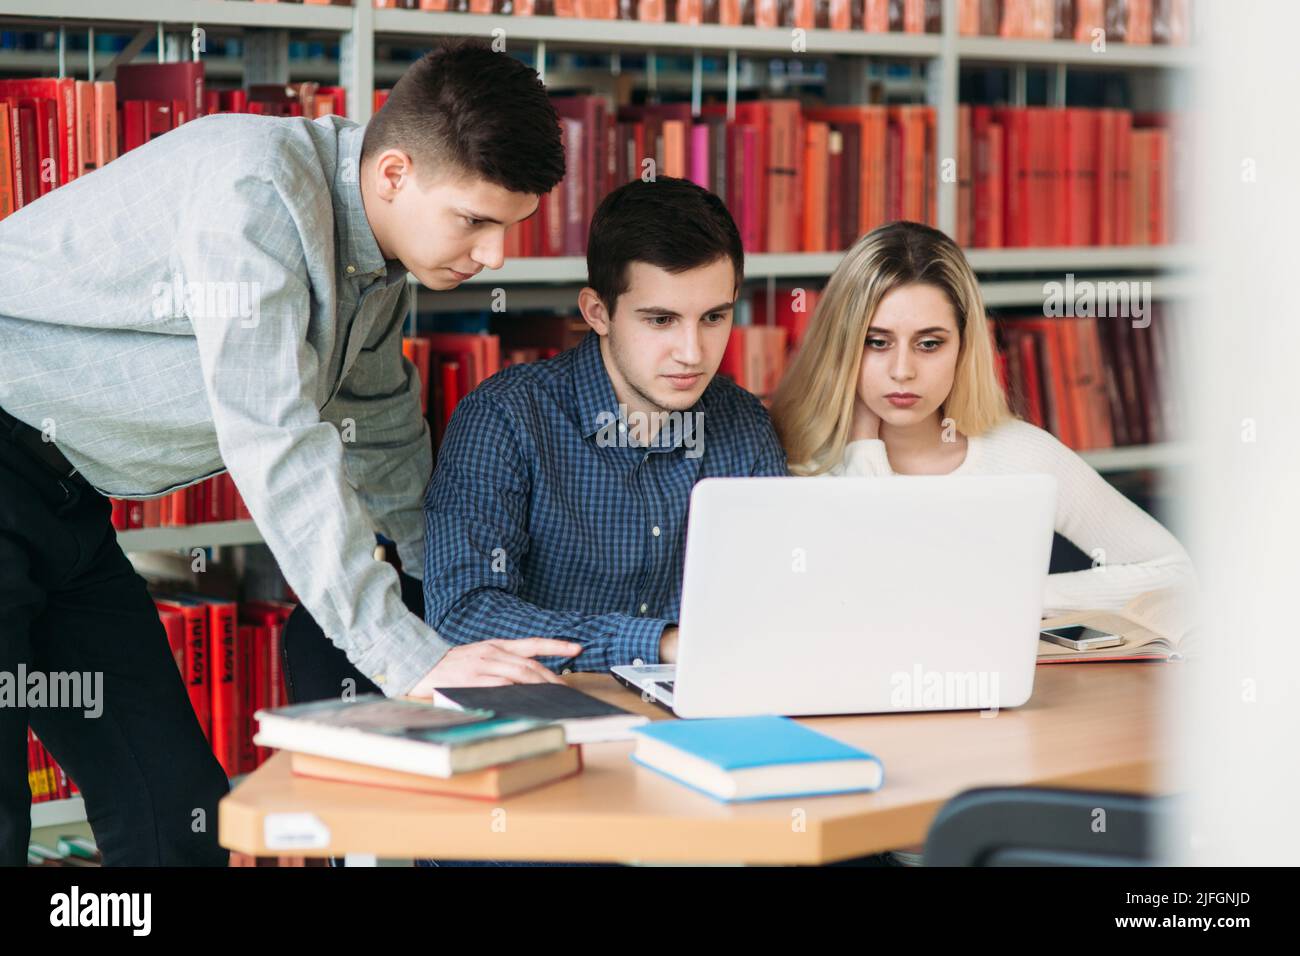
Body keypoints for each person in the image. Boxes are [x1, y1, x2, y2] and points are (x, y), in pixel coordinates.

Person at [0, 40, 575, 867]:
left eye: (509, 228)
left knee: (182, 818)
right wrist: (413, 662)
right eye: (476, 221)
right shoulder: (258, 192)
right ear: (394, 175)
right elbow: (273, 439)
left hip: (67, 504)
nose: (495, 257)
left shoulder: (374, 264)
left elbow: (382, 436)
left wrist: (454, 605)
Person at [421, 176, 788, 674]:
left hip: (705, 716)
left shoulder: (745, 425)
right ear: (598, 312)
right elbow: (463, 613)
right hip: (546, 717)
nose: (692, 352)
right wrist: (658, 642)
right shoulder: (506, 418)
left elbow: (776, 605)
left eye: (713, 317)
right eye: (660, 320)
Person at [770, 220, 1195, 615]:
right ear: (842, 346)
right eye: (877, 343)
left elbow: (1174, 574)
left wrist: (1015, 598)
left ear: (963, 347)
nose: (902, 370)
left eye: (930, 344)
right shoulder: (791, 459)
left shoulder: (1021, 455)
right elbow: (882, 600)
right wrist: (865, 450)